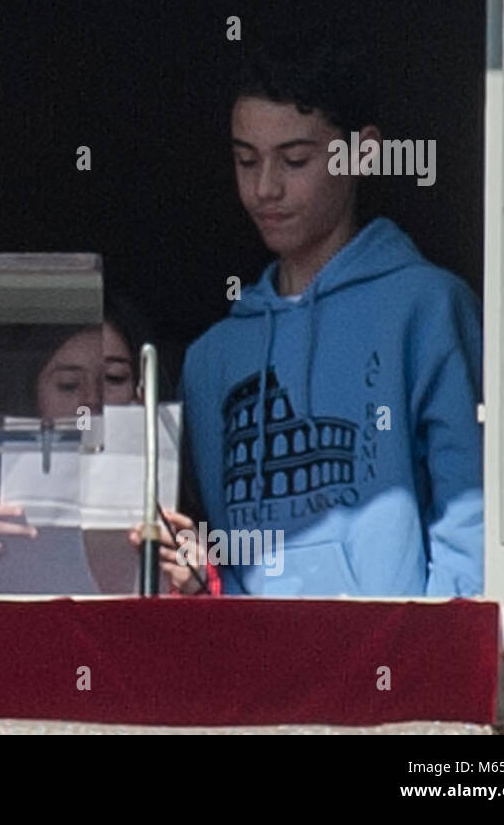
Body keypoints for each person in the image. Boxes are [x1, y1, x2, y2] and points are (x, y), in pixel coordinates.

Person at [178, 41, 483, 597]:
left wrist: (436, 658)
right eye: (246, 160)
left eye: (295, 160)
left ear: (363, 155)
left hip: (401, 667)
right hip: (253, 674)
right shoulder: (210, 359)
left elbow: (470, 515)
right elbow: (216, 559)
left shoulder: (427, 308)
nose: (265, 187)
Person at [0, 302, 217, 595]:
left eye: (114, 378)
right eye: (69, 384)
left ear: (141, 393)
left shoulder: (177, 530)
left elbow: (214, 640)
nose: (92, 400)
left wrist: (196, 586)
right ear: (35, 399)